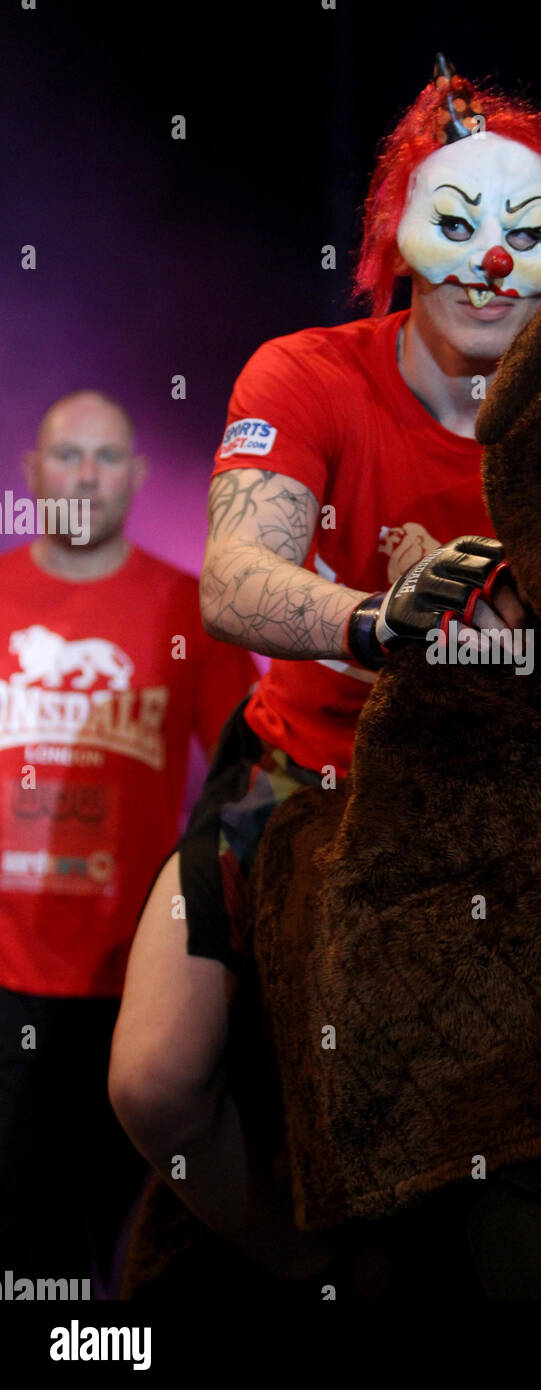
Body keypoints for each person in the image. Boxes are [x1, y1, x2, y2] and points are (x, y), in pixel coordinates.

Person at [108, 54, 541, 1281]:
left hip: (515, 793)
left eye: (523, 233)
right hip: (301, 765)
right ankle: (301, 1274)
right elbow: (234, 576)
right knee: (154, 1081)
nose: (489, 265)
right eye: (458, 222)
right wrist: (379, 622)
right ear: (397, 235)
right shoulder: (305, 372)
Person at [0, 389, 258, 1292]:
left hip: (129, 980)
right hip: (3, 972)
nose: (85, 474)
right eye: (67, 455)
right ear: (32, 476)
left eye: (107, 456)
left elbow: (247, 773)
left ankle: (101, 1348)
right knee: (20, 1231)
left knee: (114, 1228)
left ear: (138, 477)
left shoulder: (186, 606)